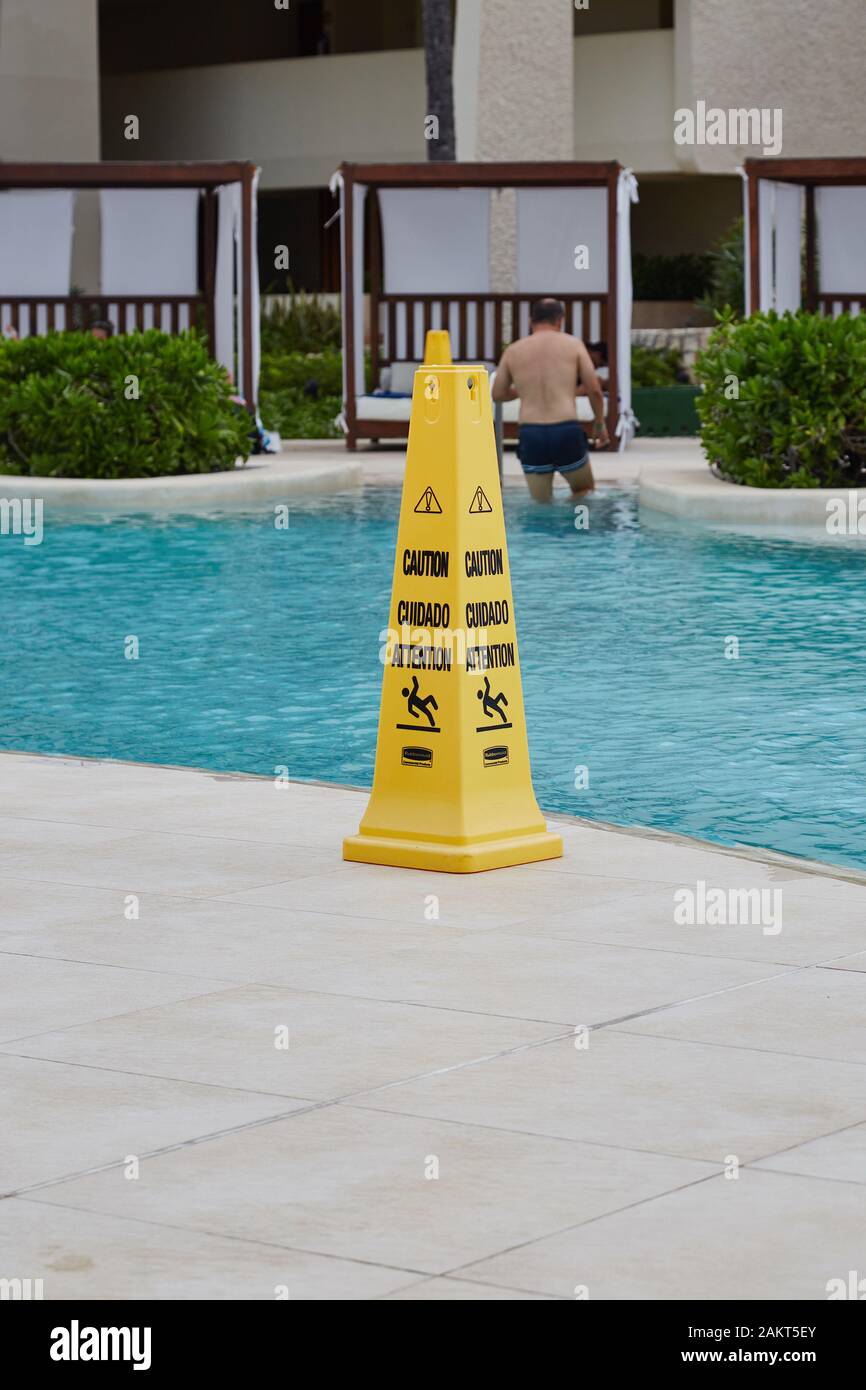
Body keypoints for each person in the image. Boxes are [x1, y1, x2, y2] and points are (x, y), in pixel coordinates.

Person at [491, 298, 610, 502]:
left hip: (531, 434)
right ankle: (575, 530)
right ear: (560, 321)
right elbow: (595, 390)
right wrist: (600, 423)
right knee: (584, 490)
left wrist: (526, 390)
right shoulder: (573, 345)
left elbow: (498, 394)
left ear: (531, 321)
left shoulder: (513, 351)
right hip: (565, 430)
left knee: (541, 502)